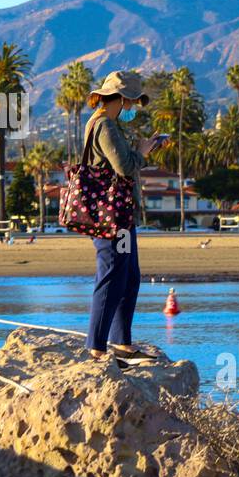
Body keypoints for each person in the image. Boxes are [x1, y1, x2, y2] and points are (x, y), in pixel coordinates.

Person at [82, 70, 163, 364]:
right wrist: (142, 152)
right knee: (112, 275)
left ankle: (121, 342)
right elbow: (125, 167)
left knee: (128, 276)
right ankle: (96, 347)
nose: (133, 108)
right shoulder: (104, 124)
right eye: (132, 102)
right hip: (111, 218)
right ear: (121, 99)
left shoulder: (108, 124)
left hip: (121, 217)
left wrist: (140, 149)